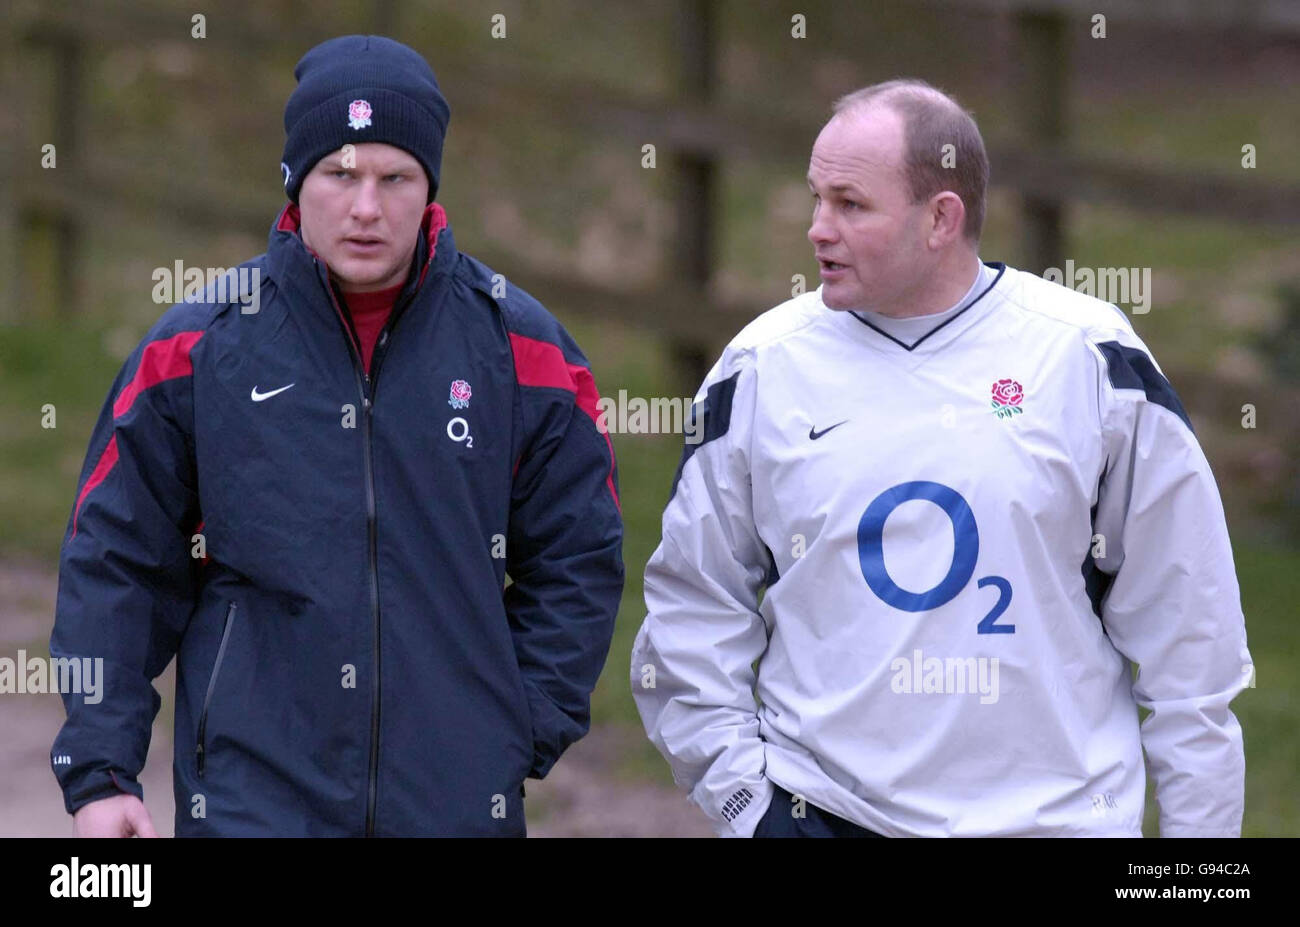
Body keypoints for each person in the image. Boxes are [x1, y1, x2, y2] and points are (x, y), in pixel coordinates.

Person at [631, 79, 1251, 838]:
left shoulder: (1089, 361)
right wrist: (745, 803)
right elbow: (693, 604)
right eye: (816, 198)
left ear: (940, 219)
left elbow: (1193, 639)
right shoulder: (763, 367)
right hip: (825, 814)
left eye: (850, 204)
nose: (816, 229)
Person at [50, 35, 624, 837]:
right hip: (253, 804)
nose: (366, 207)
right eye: (340, 174)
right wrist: (102, 771)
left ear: (430, 188)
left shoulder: (522, 353)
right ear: (294, 182)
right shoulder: (197, 349)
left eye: (395, 178)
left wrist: (517, 726)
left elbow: (578, 556)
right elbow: (117, 561)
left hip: (455, 807)